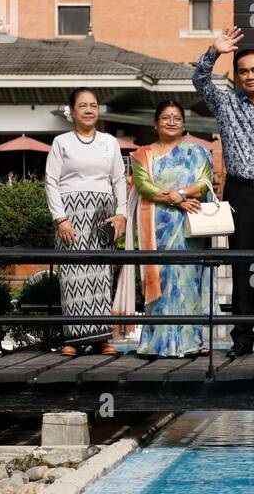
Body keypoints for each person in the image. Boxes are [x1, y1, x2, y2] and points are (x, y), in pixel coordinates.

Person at [191, 26, 254, 357]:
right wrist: (213, 51)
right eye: (244, 71)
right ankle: (242, 338)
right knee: (241, 266)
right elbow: (199, 82)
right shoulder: (225, 103)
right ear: (236, 75)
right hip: (240, 193)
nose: (250, 76)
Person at [44, 86, 128, 357]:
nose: (89, 110)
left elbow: (119, 180)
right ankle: (72, 339)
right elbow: (51, 182)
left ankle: (101, 339)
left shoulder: (109, 142)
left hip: (103, 216)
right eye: (82, 105)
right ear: (72, 111)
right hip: (70, 216)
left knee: (101, 275)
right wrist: (60, 219)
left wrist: (122, 215)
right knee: (72, 277)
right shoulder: (61, 142)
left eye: (93, 105)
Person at [130, 101, 215, 358]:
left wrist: (181, 193)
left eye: (177, 118)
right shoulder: (142, 155)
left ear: (183, 124)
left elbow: (205, 182)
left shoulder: (197, 152)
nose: (171, 122)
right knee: (161, 280)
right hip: (157, 226)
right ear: (155, 124)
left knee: (189, 281)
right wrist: (176, 199)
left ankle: (191, 341)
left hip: (190, 226)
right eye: (165, 117)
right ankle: (156, 343)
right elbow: (143, 186)